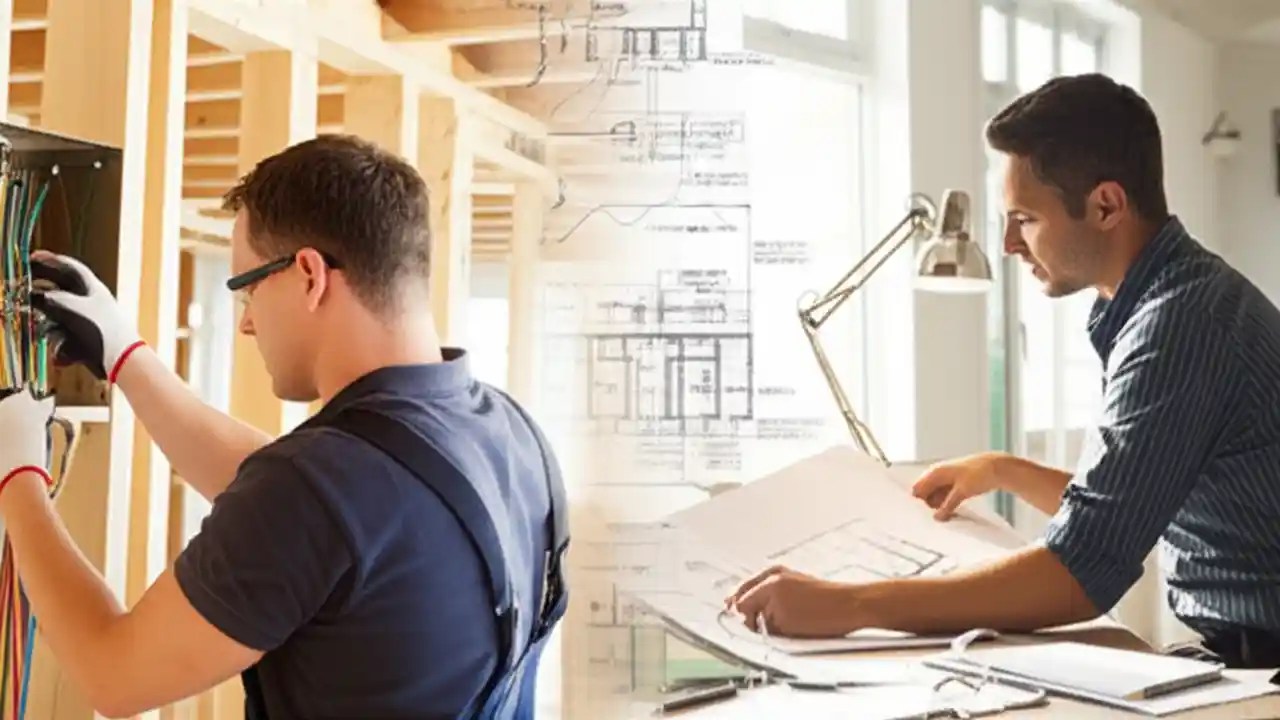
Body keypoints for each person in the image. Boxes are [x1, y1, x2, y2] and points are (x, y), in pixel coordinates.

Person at [0, 134, 567, 717]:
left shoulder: (317, 490)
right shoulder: (510, 436)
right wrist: (127, 358)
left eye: (246, 290)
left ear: (309, 275)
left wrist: (18, 477)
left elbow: (112, 673)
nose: (246, 324)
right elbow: (302, 509)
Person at [726, 73, 1280, 669]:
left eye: (1025, 218)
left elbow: (1080, 571)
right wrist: (1002, 469)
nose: (1010, 244)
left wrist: (849, 604)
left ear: (1106, 205)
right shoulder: (1173, 300)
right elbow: (1125, 497)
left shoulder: (1179, 325)